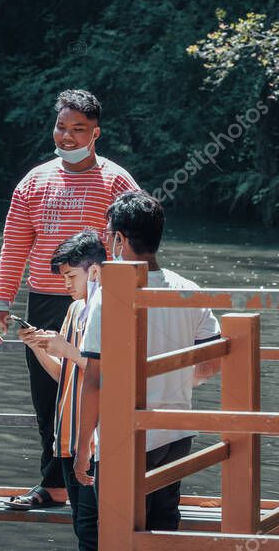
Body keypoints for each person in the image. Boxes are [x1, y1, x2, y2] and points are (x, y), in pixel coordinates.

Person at [0, 89, 138, 510]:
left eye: (79, 129)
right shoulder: (33, 182)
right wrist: (0, 303)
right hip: (46, 301)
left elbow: (133, 241)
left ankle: (101, 478)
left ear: (96, 134)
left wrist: (128, 296)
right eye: (61, 127)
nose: (68, 137)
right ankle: (53, 485)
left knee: (94, 390)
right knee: (48, 398)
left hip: (98, 305)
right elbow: (14, 246)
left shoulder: (117, 181)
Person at [75, 190, 221, 531]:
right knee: (163, 528)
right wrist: (177, 381)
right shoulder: (188, 289)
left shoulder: (110, 295)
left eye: (109, 235)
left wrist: (82, 449)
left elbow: (94, 380)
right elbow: (213, 362)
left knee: (119, 531)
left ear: (120, 239)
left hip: (125, 435)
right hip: (176, 433)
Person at [18, 230, 104, 549]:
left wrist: (67, 350)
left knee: (93, 529)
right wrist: (38, 346)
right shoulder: (74, 310)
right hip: (68, 438)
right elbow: (64, 373)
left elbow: (113, 372)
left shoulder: (109, 309)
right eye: (63, 277)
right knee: (82, 526)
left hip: (94, 441)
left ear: (94, 271)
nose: (65, 284)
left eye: (71, 276)